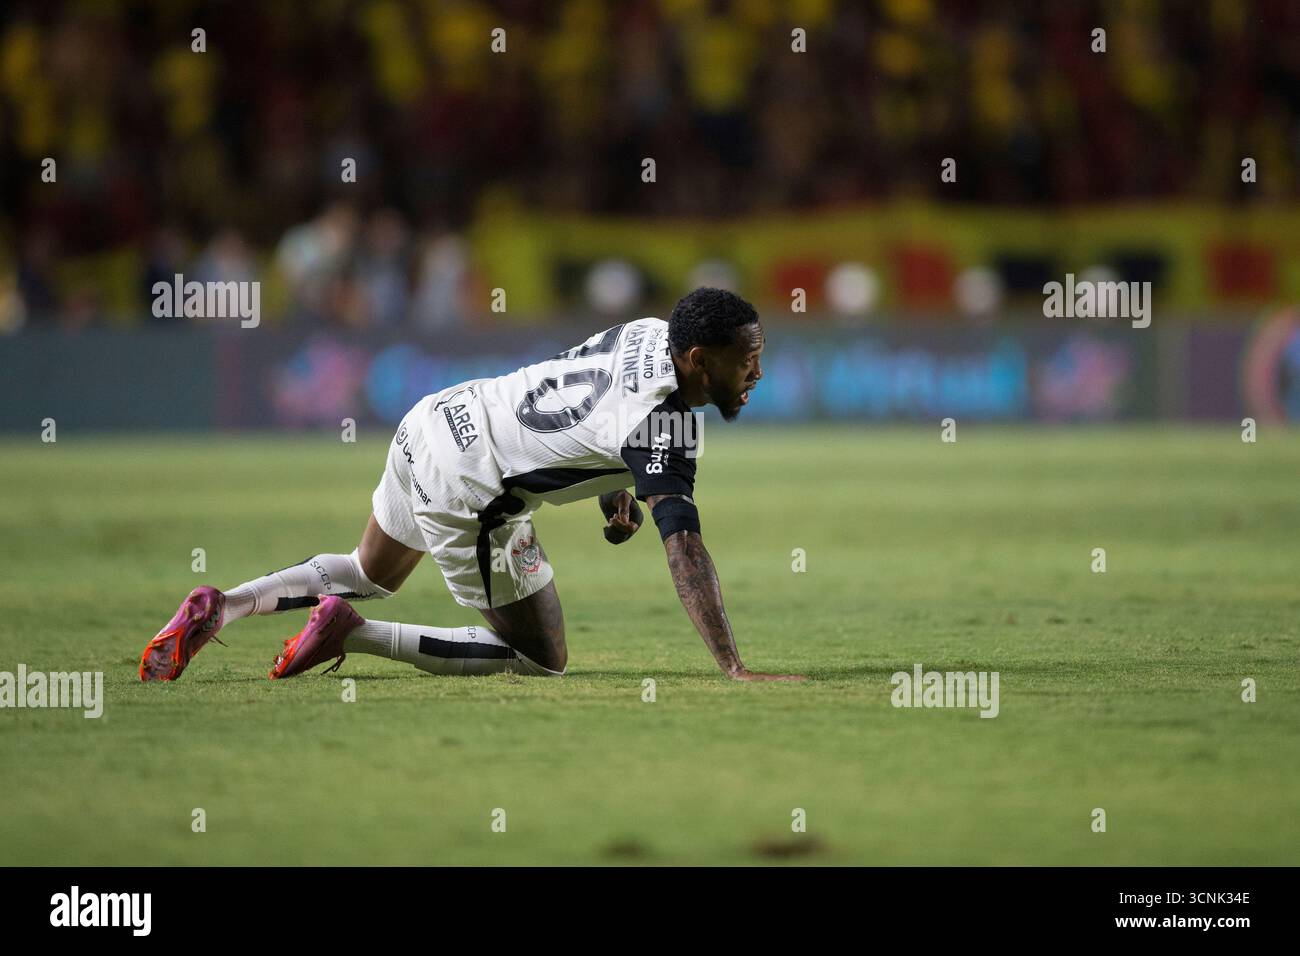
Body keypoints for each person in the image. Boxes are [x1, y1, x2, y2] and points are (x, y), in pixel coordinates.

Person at [139, 287, 804, 683]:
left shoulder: (647, 332)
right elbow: (683, 549)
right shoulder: (664, 425)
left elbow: (589, 395)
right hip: (472, 489)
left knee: (370, 568)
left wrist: (615, 485)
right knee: (543, 659)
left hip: (440, 415)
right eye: (746, 361)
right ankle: (353, 634)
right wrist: (733, 666)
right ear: (697, 360)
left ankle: (221, 604)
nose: (757, 373)